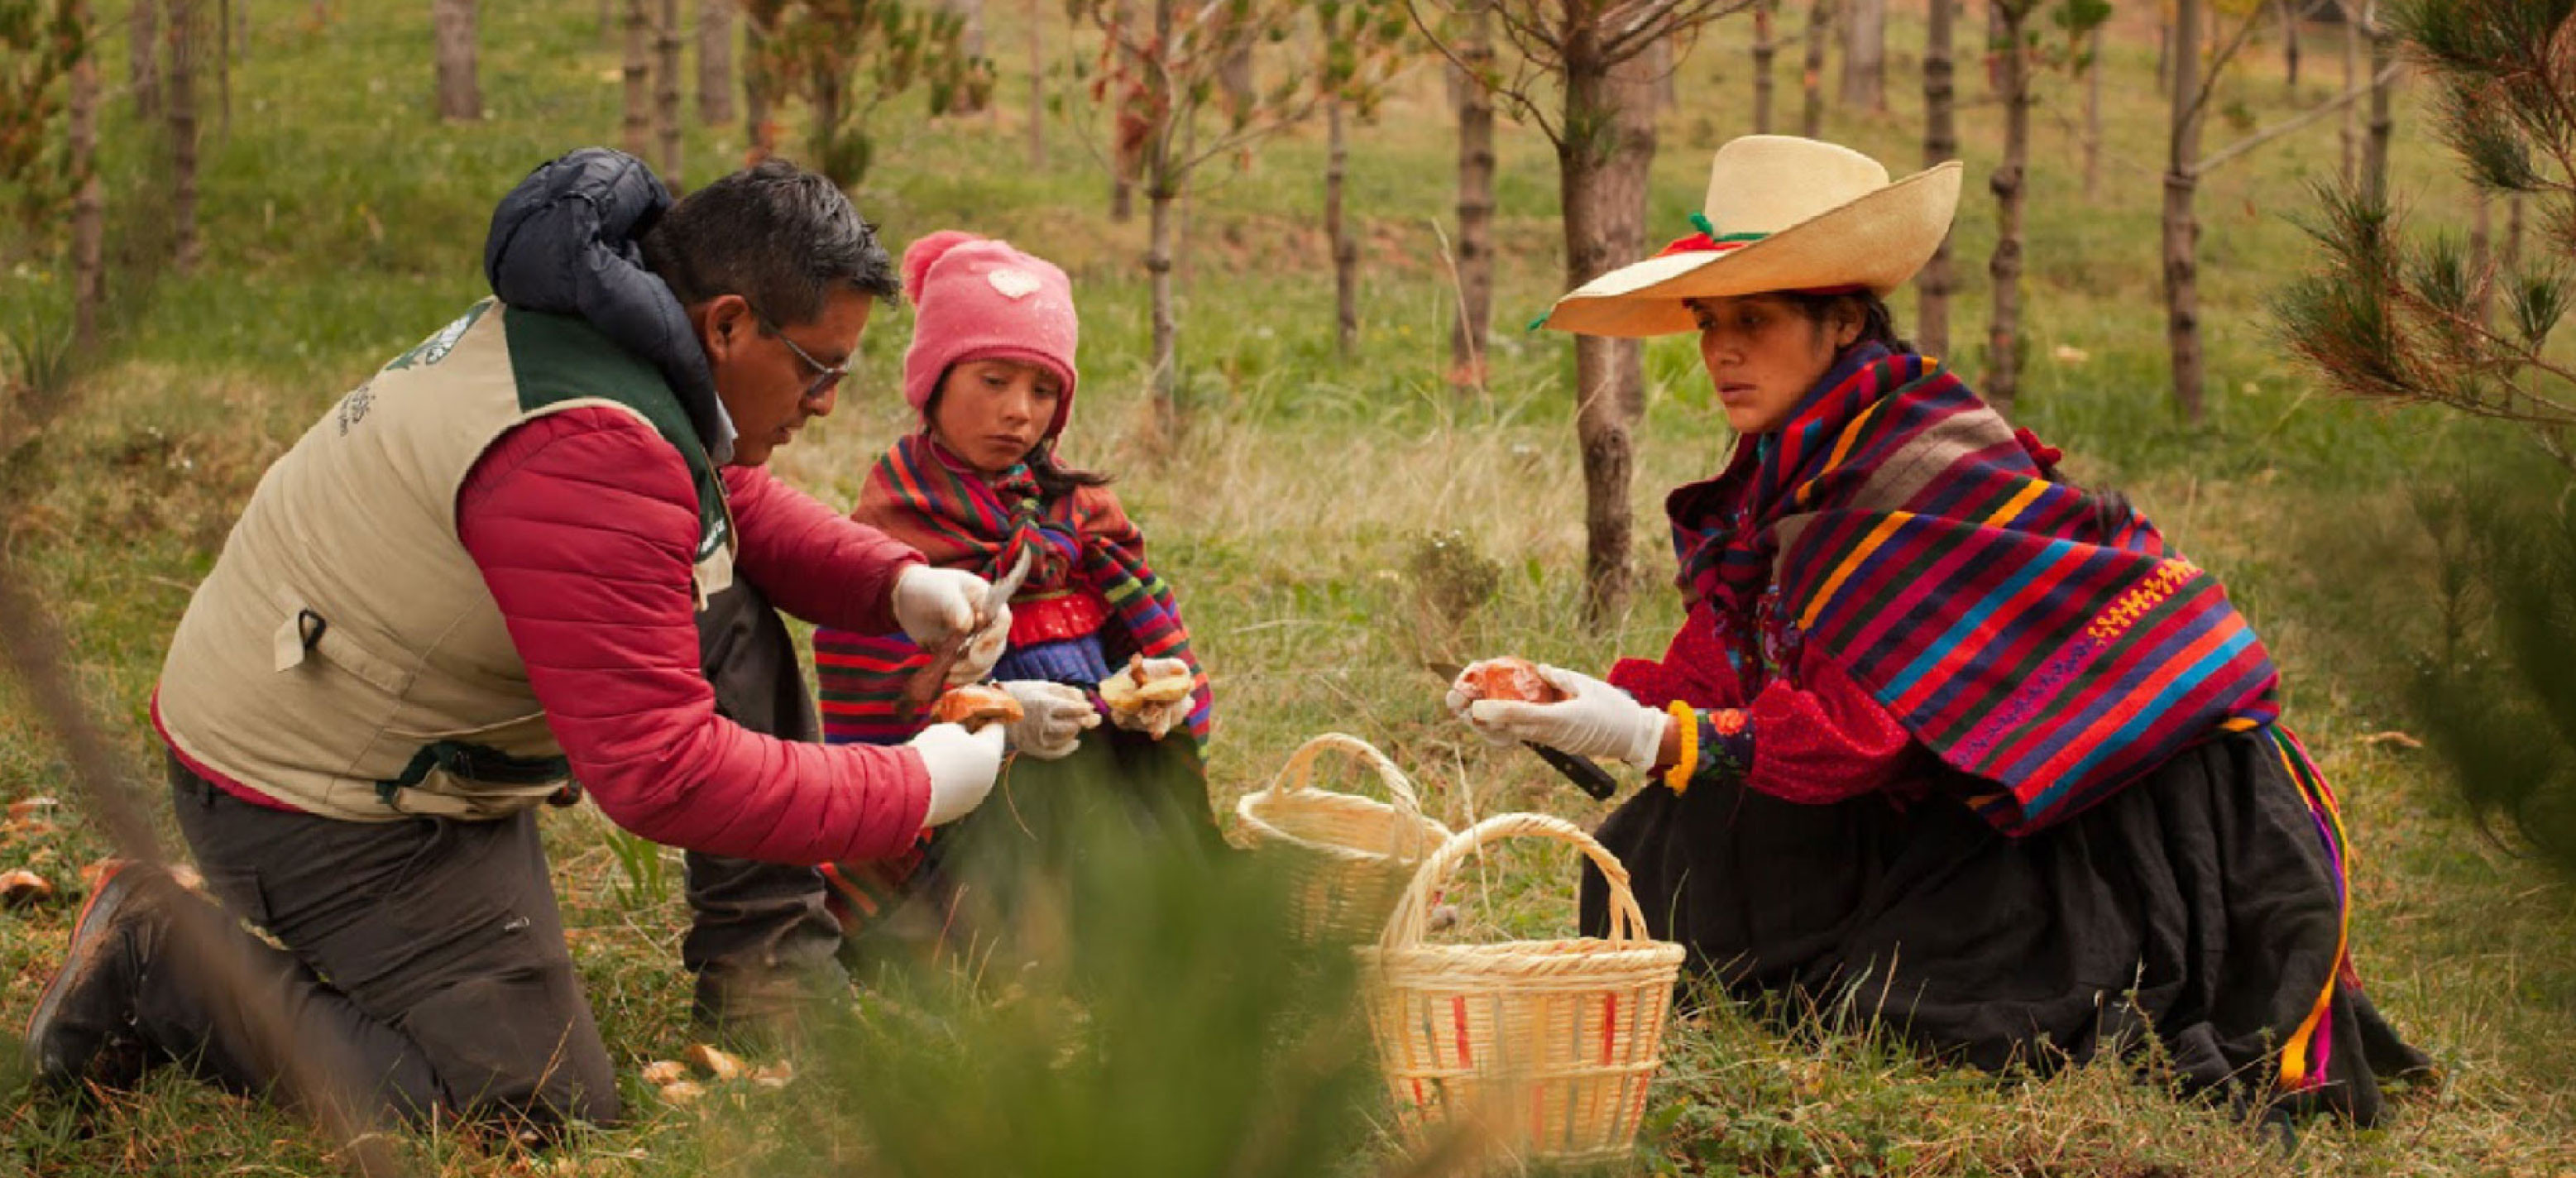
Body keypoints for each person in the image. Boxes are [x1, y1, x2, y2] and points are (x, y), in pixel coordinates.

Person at [22, 150, 1024, 1131]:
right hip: (314, 796)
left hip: (373, 718)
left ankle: (769, 969)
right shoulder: (592, 453)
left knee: (728, 598)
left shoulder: (614, 335)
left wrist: (896, 583)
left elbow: (720, 499)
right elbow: (661, 770)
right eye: (818, 372)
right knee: (529, 1098)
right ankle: (164, 960)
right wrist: (915, 787)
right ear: (726, 324)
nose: (827, 405)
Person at [1447, 135, 2429, 1123]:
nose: (1721, 352)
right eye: (1709, 322)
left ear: (1840, 323)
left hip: (2102, 804)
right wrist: (1567, 694)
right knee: (1655, 861)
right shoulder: (1785, 464)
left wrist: (1638, 730)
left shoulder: (1912, 460)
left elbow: (1859, 737)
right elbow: (1729, 669)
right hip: (1949, 778)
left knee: (1933, 1003)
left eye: (1754, 319)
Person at [810, 232, 1222, 958]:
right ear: (933, 383)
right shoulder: (898, 515)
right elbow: (870, 674)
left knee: (1149, 875)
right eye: (992, 382)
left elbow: (1143, 620)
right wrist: (997, 721)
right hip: (976, 789)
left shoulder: (1080, 505)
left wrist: (1158, 687)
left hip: (1101, 758)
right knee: (1002, 910)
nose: (1019, 413)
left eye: (1043, 391)